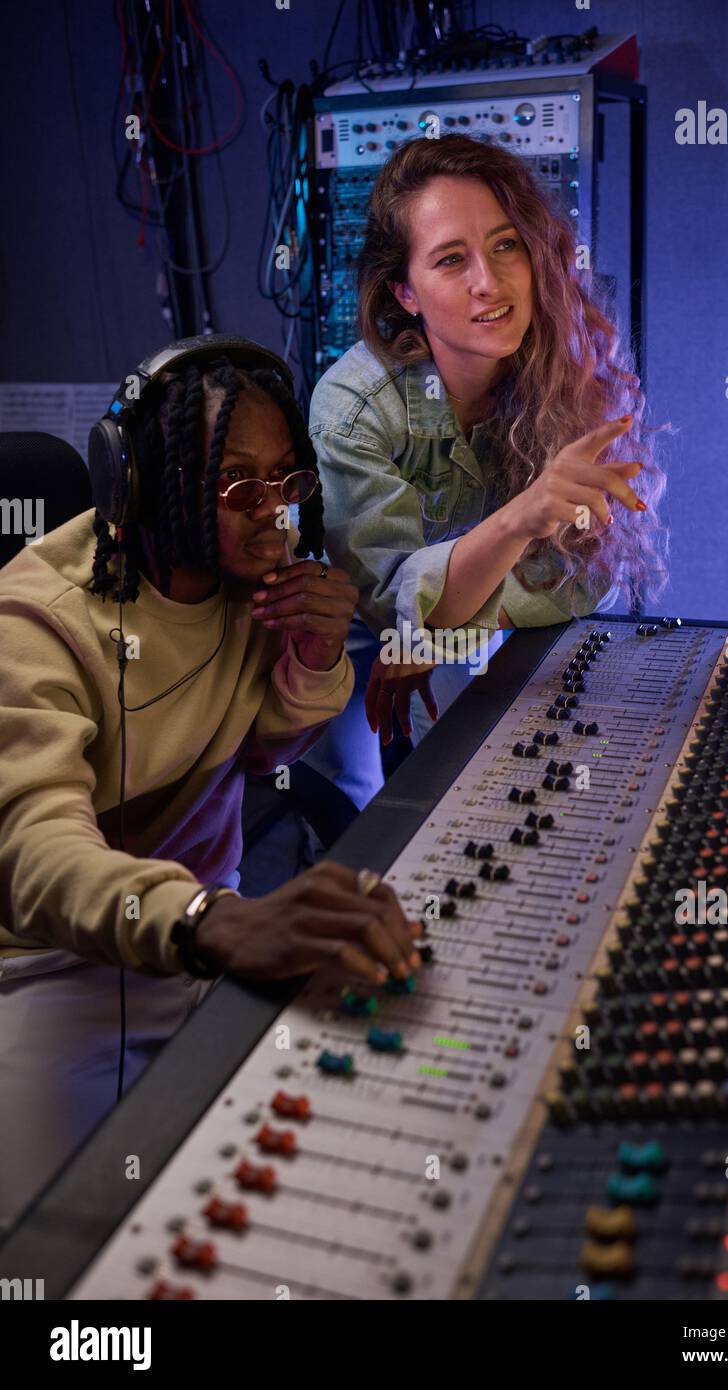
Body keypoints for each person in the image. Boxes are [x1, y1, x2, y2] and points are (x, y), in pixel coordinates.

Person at [0, 342, 419, 1232]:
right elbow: (36, 853)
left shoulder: (248, 587)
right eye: (236, 486)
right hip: (42, 972)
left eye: (284, 481)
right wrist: (211, 919)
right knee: (52, 1248)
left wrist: (309, 656)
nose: (273, 516)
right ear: (141, 485)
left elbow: (267, 751)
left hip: (205, 933)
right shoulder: (33, 619)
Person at [303, 133, 667, 812]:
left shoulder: (567, 373)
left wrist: (451, 621)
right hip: (346, 621)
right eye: (450, 259)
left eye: (505, 245)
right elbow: (392, 605)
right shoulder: (352, 406)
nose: (488, 281)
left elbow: (582, 583)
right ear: (406, 294)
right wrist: (522, 519)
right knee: (351, 798)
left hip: (464, 610)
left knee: (480, 778)